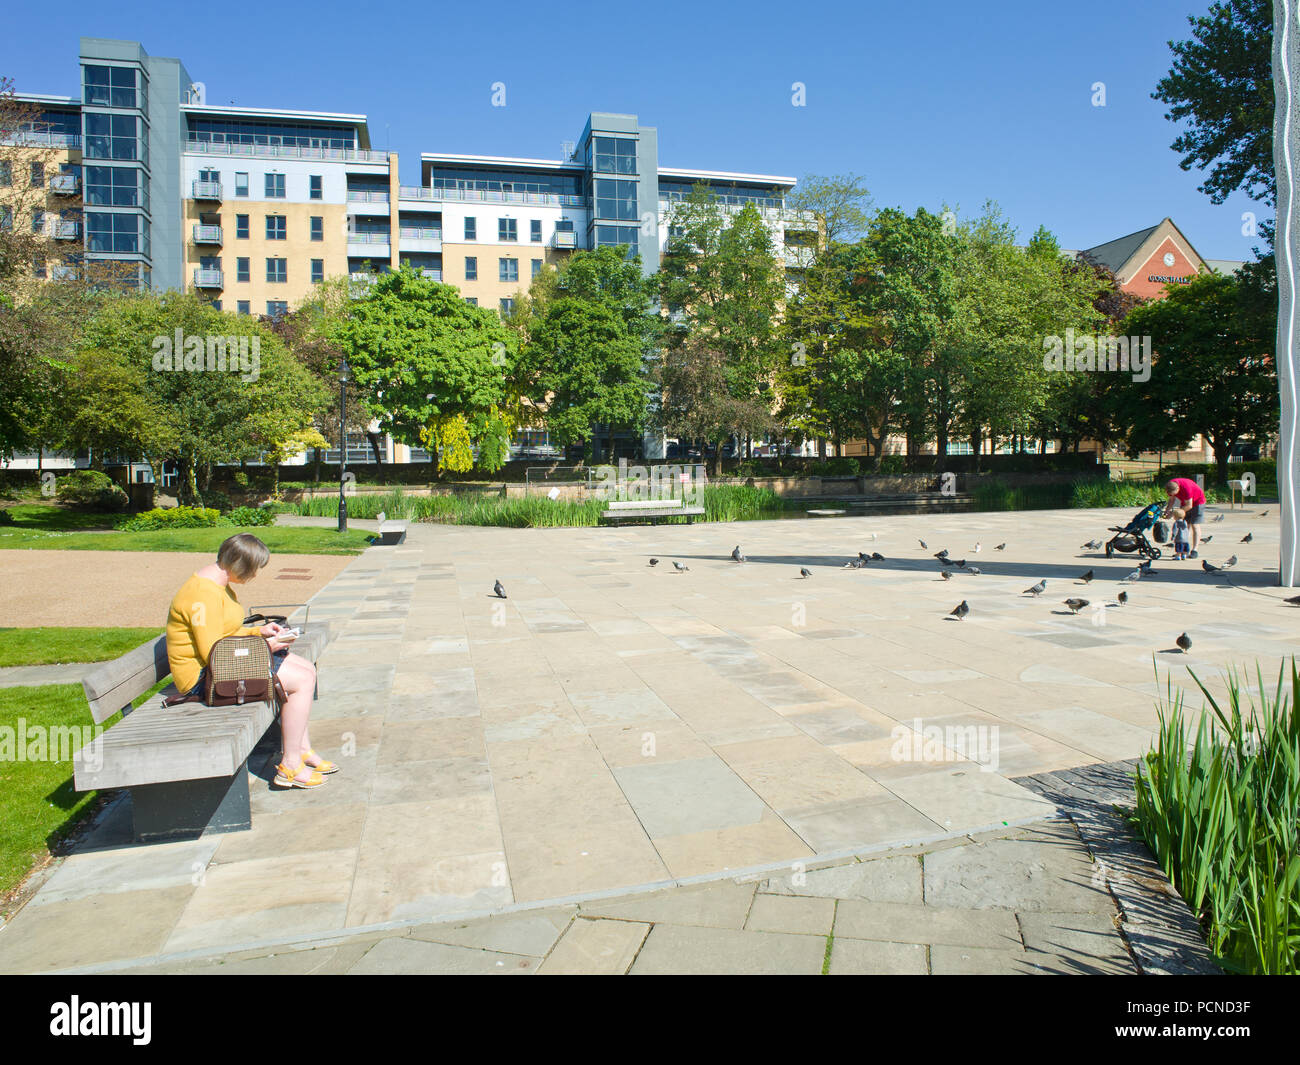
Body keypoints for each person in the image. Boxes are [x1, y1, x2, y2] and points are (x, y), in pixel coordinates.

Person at [165, 533, 330, 789]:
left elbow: (225, 633)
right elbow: (213, 653)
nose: (254, 575)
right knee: (302, 681)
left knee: (307, 669)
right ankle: (290, 765)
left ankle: (301, 748)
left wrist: (258, 632)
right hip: (202, 679)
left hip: (218, 667)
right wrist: (265, 647)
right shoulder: (202, 595)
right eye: (254, 569)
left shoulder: (218, 584)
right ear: (240, 564)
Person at [1164, 477, 1206, 558]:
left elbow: (1189, 505)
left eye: (1174, 494)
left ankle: (1194, 550)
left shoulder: (1186, 488)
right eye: (1171, 494)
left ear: (1178, 488)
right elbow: (1172, 500)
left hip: (1198, 502)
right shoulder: (1170, 486)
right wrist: (1167, 510)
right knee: (1184, 525)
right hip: (1185, 503)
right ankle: (1183, 550)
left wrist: (1174, 513)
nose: (1173, 495)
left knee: (1194, 525)